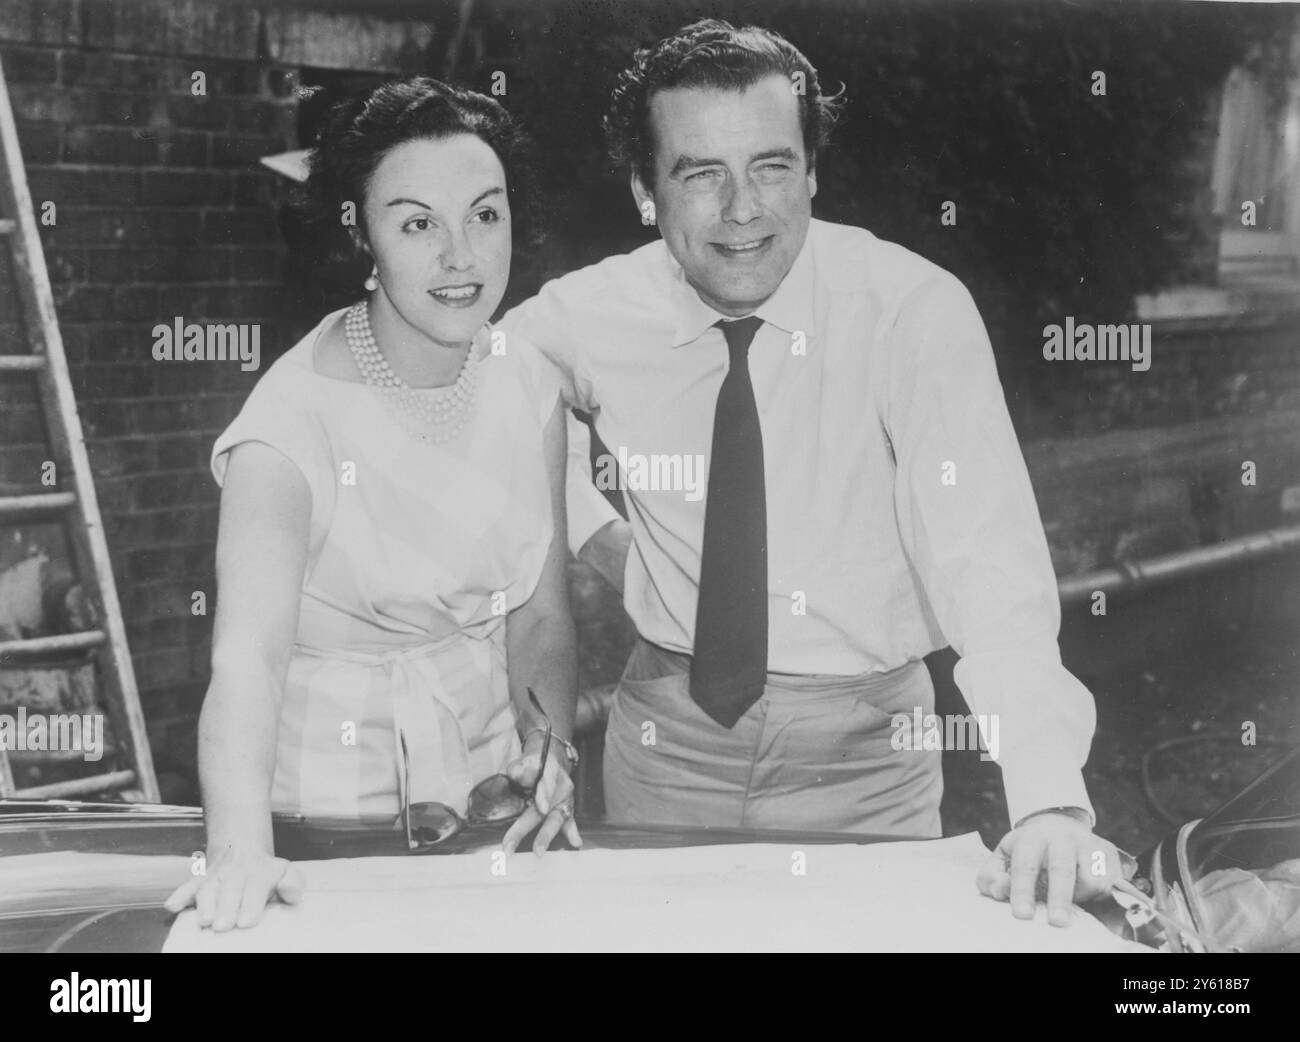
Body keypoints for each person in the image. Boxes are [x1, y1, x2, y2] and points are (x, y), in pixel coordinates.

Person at [508, 19, 1123, 925]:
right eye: (699, 172)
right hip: (662, 746)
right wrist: (609, 545)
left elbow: (984, 561)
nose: (742, 207)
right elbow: (472, 403)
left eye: (771, 165)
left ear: (812, 172)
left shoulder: (910, 311)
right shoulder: (591, 313)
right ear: (646, 190)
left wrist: (1049, 798)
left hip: (866, 758)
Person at [165, 78, 581, 933]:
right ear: (360, 232)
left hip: (494, 807)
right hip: (326, 831)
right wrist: (241, 854)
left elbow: (541, 611)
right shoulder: (288, 426)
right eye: (418, 222)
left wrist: (551, 750)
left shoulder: (529, 380)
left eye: (485, 215)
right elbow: (246, 662)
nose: (462, 256)